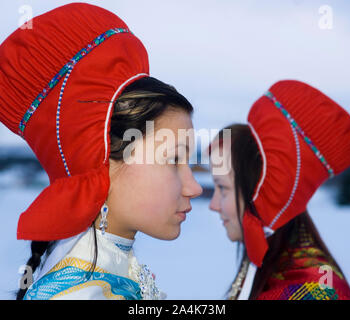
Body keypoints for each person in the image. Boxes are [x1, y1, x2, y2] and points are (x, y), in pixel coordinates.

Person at [0, 3, 202, 300]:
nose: (195, 187)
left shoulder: (102, 271)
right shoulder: (84, 292)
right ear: (101, 159)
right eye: (172, 160)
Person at [207, 80, 350, 300]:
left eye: (223, 188)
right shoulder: (280, 270)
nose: (213, 204)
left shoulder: (315, 293)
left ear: (265, 192)